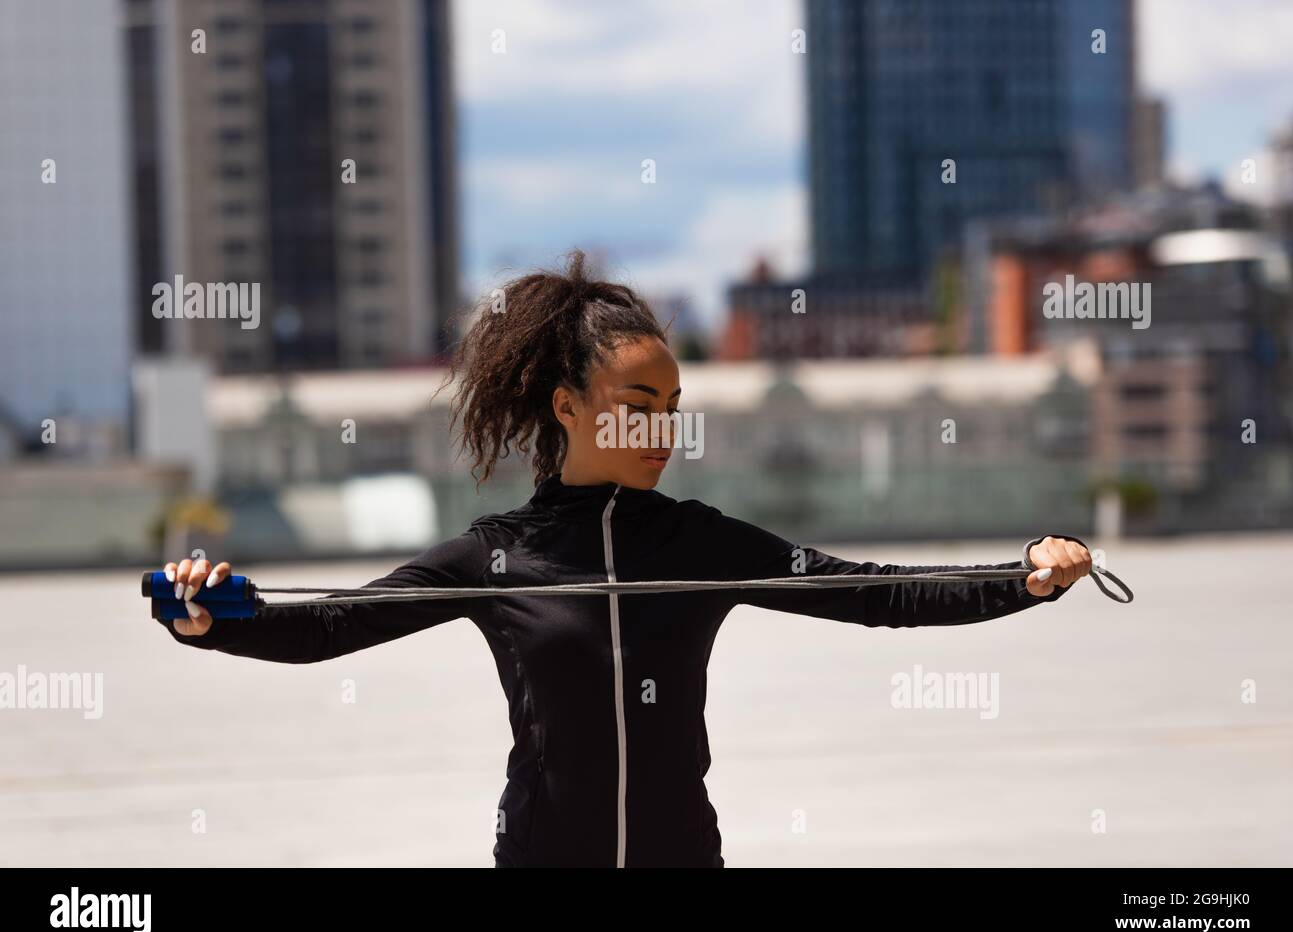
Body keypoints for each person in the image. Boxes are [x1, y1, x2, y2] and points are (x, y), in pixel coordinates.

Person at [159, 250, 1093, 868]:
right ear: (566, 405)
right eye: (637, 400)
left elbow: (876, 596)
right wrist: (210, 619)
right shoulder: (498, 557)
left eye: (672, 402)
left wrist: (1025, 578)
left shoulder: (699, 542)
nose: (661, 427)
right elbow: (330, 623)